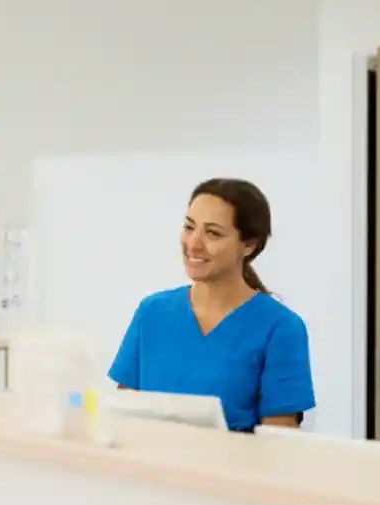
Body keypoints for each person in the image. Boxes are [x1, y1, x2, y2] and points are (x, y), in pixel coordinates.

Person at [109, 178, 315, 432]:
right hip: (151, 467)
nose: (194, 244)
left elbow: (280, 440)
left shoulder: (280, 328)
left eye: (212, 233)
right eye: (189, 227)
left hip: (230, 471)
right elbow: (123, 416)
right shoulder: (152, 313)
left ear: (248, 245)